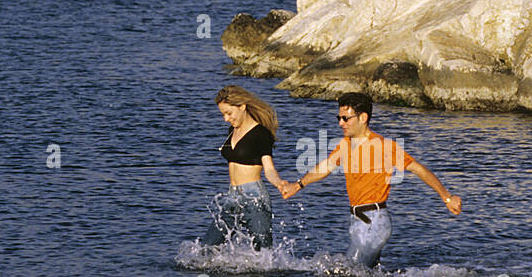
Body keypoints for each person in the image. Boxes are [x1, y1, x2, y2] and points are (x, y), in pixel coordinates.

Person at [282, 92, 462, 267]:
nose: (340, 123)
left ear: (363, 117)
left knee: (347, 274)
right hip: (357, 221)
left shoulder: (383, 146)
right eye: (339, 118)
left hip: (373, 221)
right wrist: (298, 185)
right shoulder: (345, 144)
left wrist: (447, 197)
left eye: (346, 118)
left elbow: (419, 169)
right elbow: (325, 167)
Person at [198, 85, 294, 251]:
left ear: (242, 106)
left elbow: (268, 168)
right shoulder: (232, 130)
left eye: (229, 113)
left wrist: (279, 183)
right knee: (207, 248)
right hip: (232, 198)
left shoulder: (261, 134)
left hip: (254, 198)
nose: (226, 119)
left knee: (263, 253)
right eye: (223, 114)